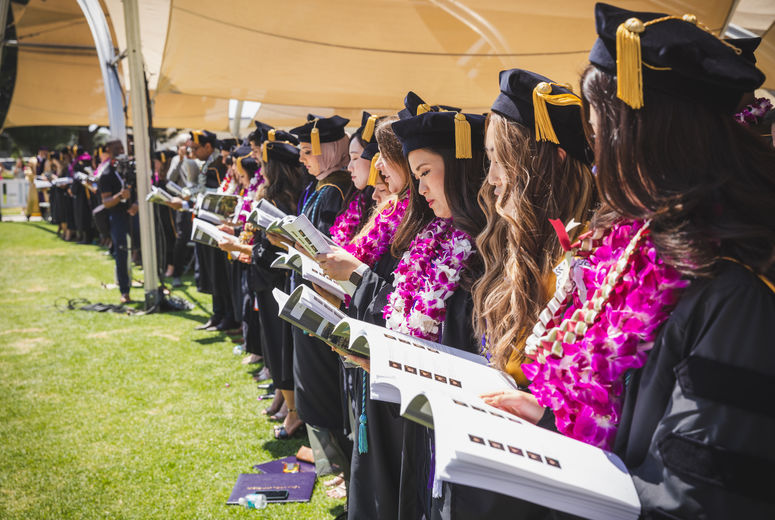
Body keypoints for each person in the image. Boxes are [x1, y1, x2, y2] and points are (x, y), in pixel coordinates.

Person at [488, 4, 775, 518]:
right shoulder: (639, 258)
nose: (595, 155)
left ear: (649, 138)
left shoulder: (737, 295)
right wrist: (552, 423)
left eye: (600, 131)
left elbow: (693, 498)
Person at [285, 114, 353, 478]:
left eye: (309, 151)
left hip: (323, 298)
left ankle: (339, 468)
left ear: (329, 150)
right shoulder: (326, 185)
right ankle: (334, 466)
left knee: (321, 386)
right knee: (313, 384)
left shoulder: (335, 191)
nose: (302, 159)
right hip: (312, 292)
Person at [98, 139, 137, 303]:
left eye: (123, 147)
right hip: (118, 217)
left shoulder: (131, 169)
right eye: (116, 148)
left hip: (135, 214)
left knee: (145, 247)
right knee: (121, 252)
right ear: (109, 151)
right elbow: (106, 202)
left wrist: (135, 203)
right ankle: (124, 291)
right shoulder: (106, 174)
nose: (121, 150)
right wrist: (120, 196)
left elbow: (140, 188)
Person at [166, 143, 199, 285]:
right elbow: (170, 178)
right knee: (181, 238)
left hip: (197, 200)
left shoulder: (198, 158)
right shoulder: (176, 159)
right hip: (183, 203)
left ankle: (200, 276)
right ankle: (176, 274)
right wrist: (180, 159)